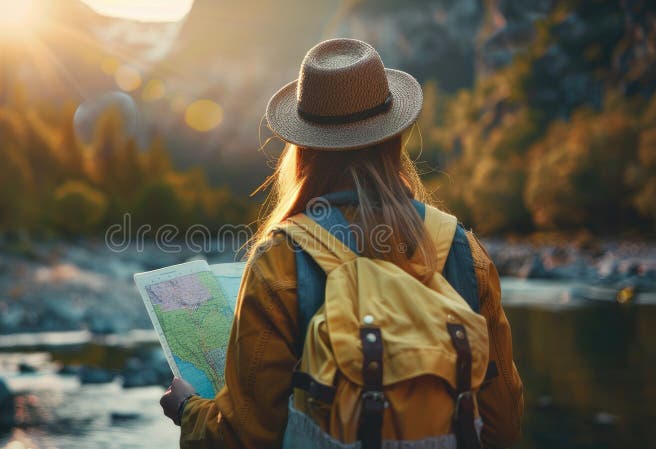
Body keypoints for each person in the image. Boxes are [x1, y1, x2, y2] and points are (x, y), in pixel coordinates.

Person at [160, 38, 524, 449]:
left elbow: (247, 435)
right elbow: (503, 427)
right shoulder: (463, 252)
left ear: (303, 148)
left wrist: (188, 408)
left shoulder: (280, 260)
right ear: (394, 139)